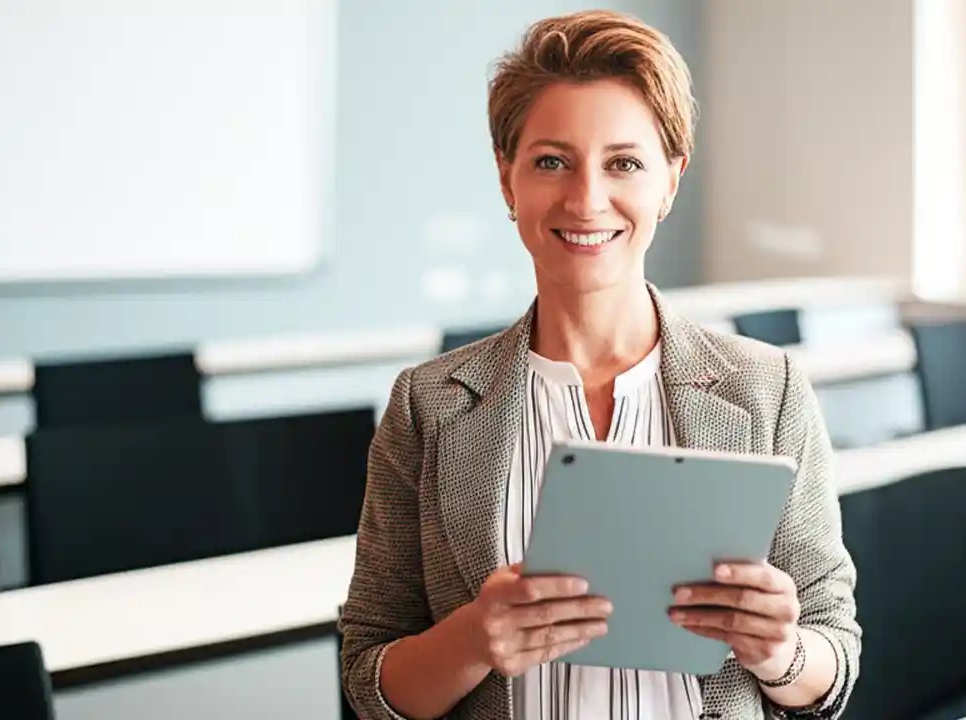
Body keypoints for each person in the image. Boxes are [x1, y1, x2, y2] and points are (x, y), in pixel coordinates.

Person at [339, 10, 859, 720]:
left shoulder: (767, 390)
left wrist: (779, 652)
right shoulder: (427, 404)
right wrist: (473, 640)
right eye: (552, 161)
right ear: (507, 180)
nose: (586, 199)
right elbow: (368, 677)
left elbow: (835, 657)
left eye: (624, 163)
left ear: (670, 182)